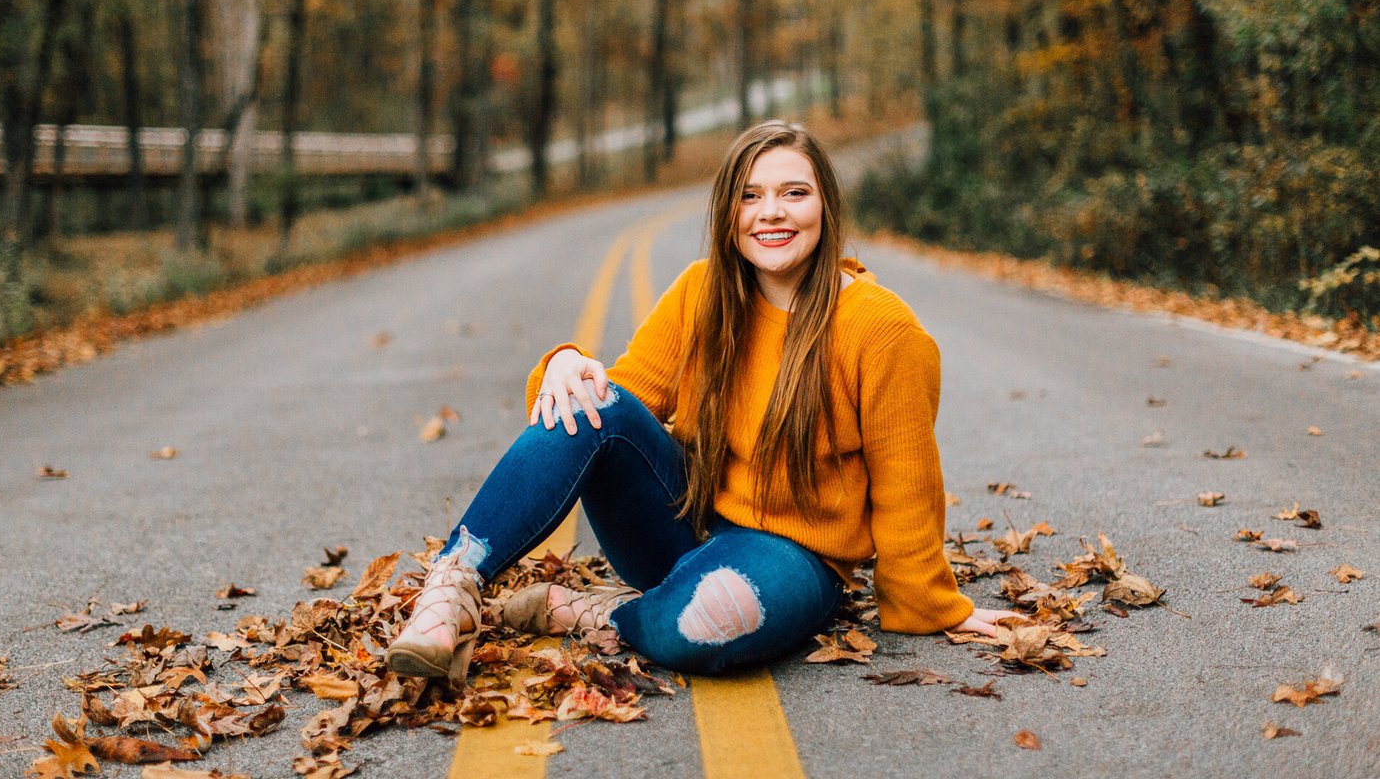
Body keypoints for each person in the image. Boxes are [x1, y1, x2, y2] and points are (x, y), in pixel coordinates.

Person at [386, 120, 1012, 685]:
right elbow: (615, 403)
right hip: (680, 518)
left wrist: (927, 604)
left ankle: (595, 611)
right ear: (727, 212)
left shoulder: (879, 328)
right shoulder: (701, 291)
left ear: (826, 206)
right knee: (588, 395)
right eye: (750, 195)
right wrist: (564, 365)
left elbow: (907, 482)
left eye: (795, 193)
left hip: (792, 556)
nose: (772, 213)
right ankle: (452, 587)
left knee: (712, 621)